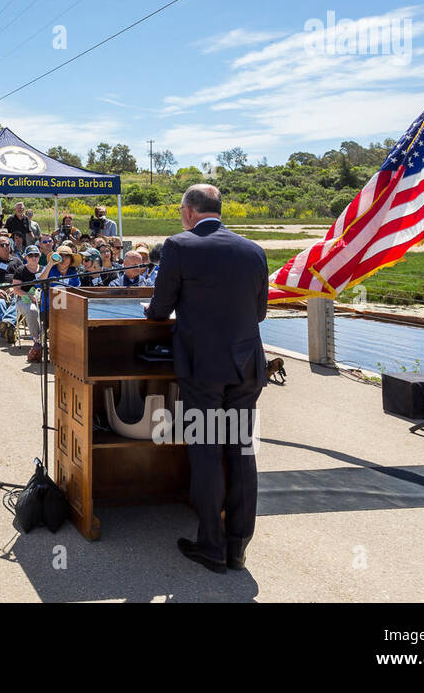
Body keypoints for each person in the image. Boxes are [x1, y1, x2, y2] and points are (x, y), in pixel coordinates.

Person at [146, 184, 269, 575]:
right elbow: (261, 312)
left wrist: (153, 307)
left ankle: (210, 546)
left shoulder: (179, 246)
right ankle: (238, 547)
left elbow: (159, 312)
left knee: (207, 452)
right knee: (242, 452)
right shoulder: (254, 250)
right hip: (246, 366)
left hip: (204, 370)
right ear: (219, 210)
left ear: (188, 211)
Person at [0, 237, 22, 343]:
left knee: (17, 300)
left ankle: (6, 325)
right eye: (2, 245)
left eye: (7, 244)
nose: (5, 247)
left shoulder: (17, 261)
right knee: (0, 302)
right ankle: (8, 328)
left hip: (14, 289)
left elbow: (24, 278)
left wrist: (14, 288)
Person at [16, 246, 45, 362]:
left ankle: (42, 341)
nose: (33, 258)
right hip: (23, 300)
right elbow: (16, 290)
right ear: (26, 257)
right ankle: (37, 341)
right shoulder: (20, 270)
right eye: (30, 255)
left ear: (39, 256)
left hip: (42, 300)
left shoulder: (43, 270)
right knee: (32, 310)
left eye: (36, 255)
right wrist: (30, 297)